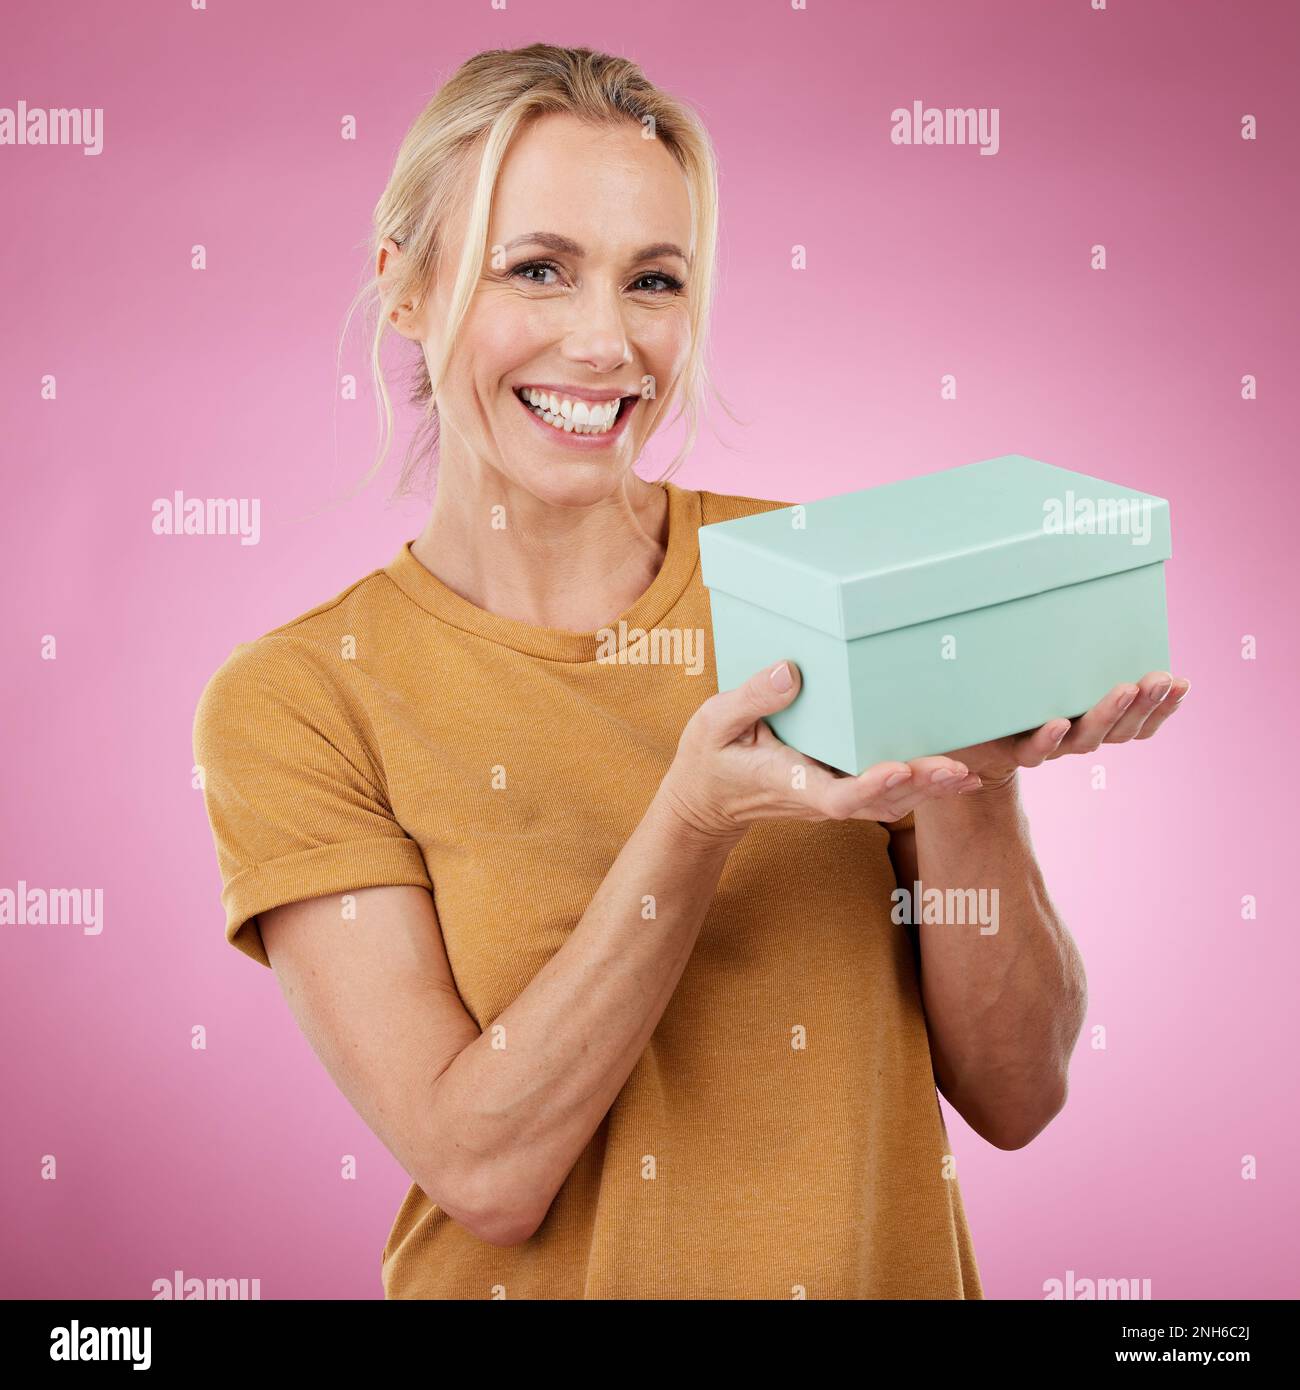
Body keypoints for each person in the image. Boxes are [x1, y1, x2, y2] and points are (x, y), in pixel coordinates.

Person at [192, 43, 1190, 1300]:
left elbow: (1017, 1093)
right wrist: (693, 818)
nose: (605, 343)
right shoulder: (302, 697)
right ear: (403, 288)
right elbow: (483, 1168)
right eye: (537, 270)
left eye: (653, 281)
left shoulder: (811, 578)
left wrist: (969, 777)